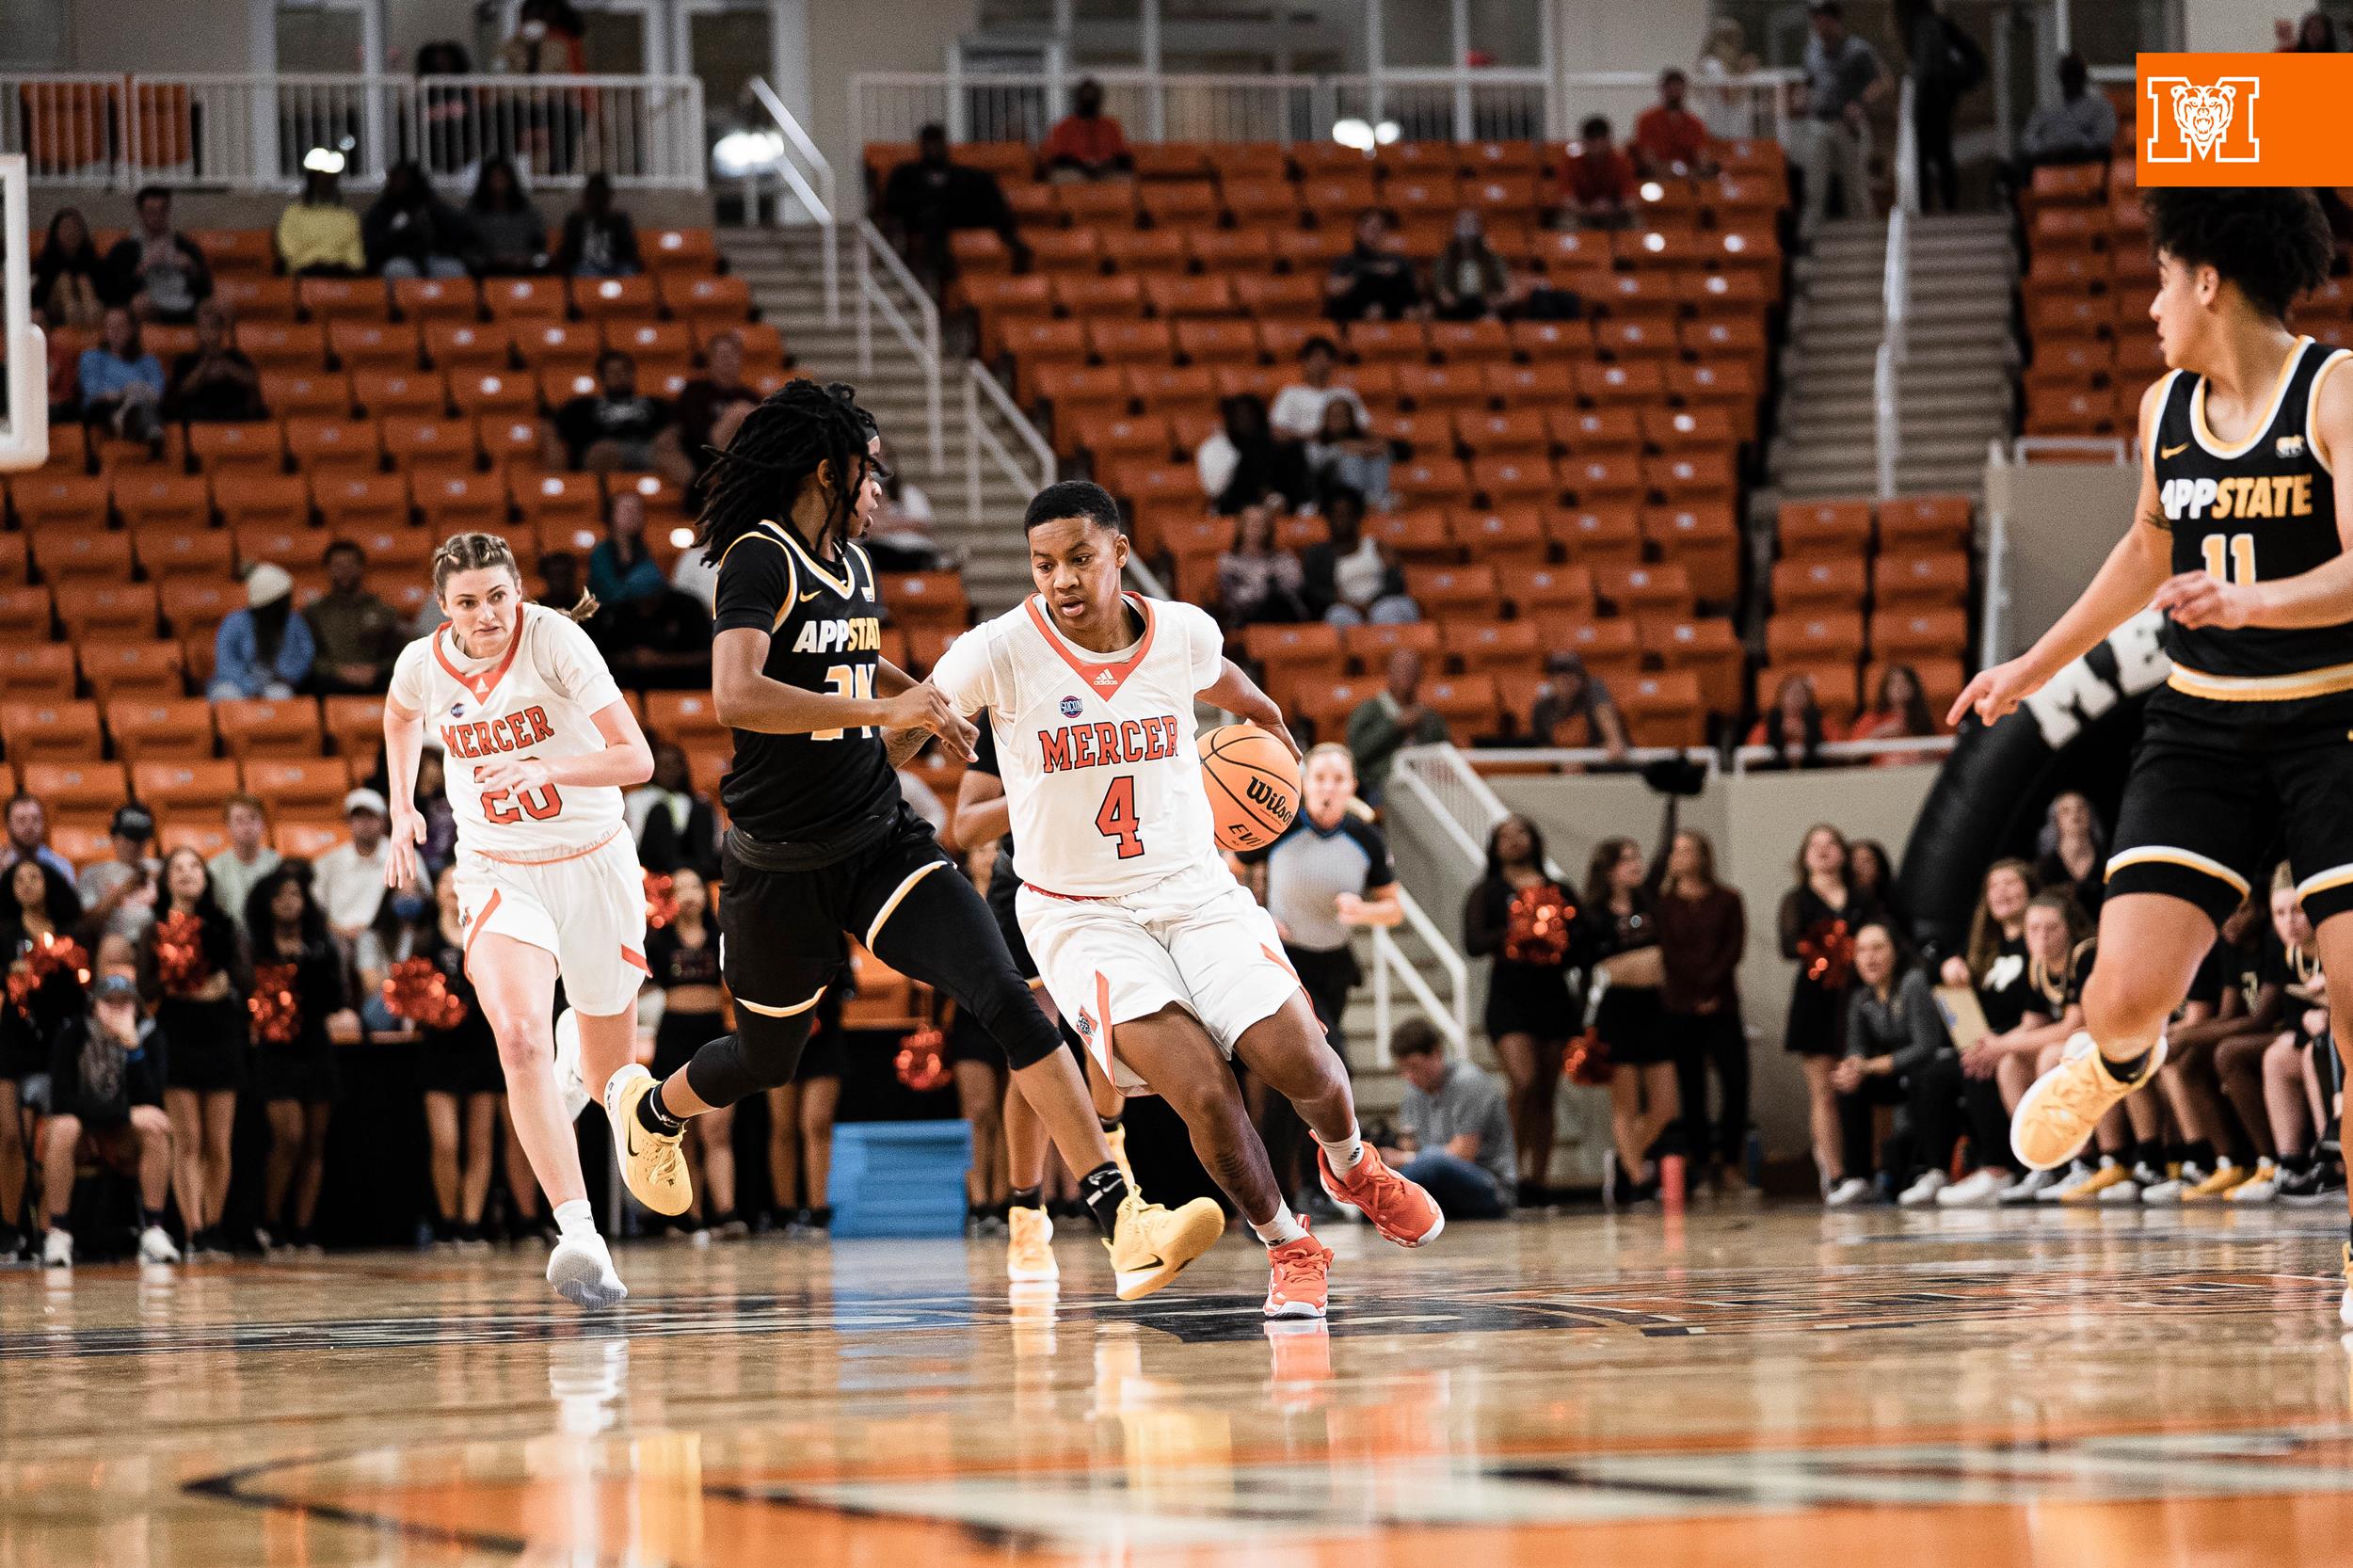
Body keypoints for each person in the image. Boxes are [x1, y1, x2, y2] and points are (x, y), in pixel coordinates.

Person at [602, 387, 1217, 1304]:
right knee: (768, 1059)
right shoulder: (757, 560)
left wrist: (923, 695)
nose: (881, 488)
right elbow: (737, 693)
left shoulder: (852, 562)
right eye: (872, 468)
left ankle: (1120, 1215)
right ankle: (651, 1110)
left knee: (1006, 997)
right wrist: (880, 708)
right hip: (777, 862)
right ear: (829, 468)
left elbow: (847, 655)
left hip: (880, 835)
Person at [1950, 186, 2353, 1320]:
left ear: (2209, 281)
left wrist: (2252, 599)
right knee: (2121, 997)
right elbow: (2143, 546)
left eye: (2161, 280)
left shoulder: (2336, 391)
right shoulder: (2162, 408)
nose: (2149, 306)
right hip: (2202, 727)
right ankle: (2120, 1059)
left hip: (2334, 721)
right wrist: (2032, 666)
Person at [924, 477, 1441, 1320]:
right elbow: (924, 724)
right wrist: (895, 713)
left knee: (1302, 1060)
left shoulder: (1181, 634)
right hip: (1080, 913)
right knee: (1202, 1090)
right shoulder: (999, 650)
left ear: (1119, 555)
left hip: (1196, 890)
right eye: (1044, 563)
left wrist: (1277, 737)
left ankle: (1352, 1165)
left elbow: (1238, 691)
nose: (1061, 579)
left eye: (1080, 559)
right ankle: (1289, 1246)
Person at [382, 531, 657, 1309]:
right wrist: (403, 805)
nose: (487, 614)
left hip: (596, 860)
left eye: (498, 596)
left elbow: (635, 757)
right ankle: (581, 1237)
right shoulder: (422, 663)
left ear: (518, 592)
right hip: (500, 869)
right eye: (468, 603)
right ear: (445, 608)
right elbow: (401, 718)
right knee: (517, 1034)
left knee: (608, 1081)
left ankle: (579, 1067)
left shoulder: (556, 640)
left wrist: (547, 767)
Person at [952, 711, 1134, 1281]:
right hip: (1028, 883)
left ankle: (1114, 1155)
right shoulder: (1007, 712)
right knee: (1035, 1041)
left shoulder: (1130, 693)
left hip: (1110, 878)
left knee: (1107, 1029)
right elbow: (965, 826)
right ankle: (1027, 1212)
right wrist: (1036, 791)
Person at [1241, 744, 1403, 1213]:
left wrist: (1364, 910)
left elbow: (1392, 908)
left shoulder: (1365, 837)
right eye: (1320, 778)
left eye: (1338, 779)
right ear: (1304, 783)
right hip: (1285, 965)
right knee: (1326, 1068)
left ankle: (1296, 1188)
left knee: (1302, 1080)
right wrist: (1260, 915)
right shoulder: (1276, 824)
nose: (1328, 788)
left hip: (1333, 964)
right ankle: (1309, 1184)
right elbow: (1230, 870)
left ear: (1352, 786)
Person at [1461, 814, 1577, 1205]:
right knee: (1523, 1082)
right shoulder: (1488, 891)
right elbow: (1473, 941)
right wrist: (1519, 931)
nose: (1513, 841)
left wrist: (1557, 938)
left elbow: (1582, 940)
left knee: (1546, 1091)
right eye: (1503, 836)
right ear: (1494, 846)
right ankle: (1507, 1170)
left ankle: (1537, 1179)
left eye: (1520, 833)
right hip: (1509, 995)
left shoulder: (1560, 889)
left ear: (1535, 839)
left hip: (1553, 994)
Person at [140, 846, 247, 1256]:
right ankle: (193, 1228)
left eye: (194, 867)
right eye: (178, 868)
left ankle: (215, 1225)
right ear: (167, 880)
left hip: (220, 1028)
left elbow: (246, 980)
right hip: (177, 1029)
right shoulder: (154, 928)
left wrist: (214, 966)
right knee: (189, 1140)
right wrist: (172, 975)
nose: (187, 874)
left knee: (219, 1142)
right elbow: (143, 989)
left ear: (206, 877)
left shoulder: (223, 924)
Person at [392, 864, 503, 1247]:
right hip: (440, 1047)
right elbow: (406, 989)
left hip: (483, 1043)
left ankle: (470, 1225)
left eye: (461, 881)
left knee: (480, 1141)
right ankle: (448, 1220)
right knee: (445, 1141)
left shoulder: (487, 932)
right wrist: (428, 1008)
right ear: (436, 891)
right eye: (446, 882)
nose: (454, 888)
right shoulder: (424, 938)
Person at [243, 866, 352, 1253]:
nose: (289, 902)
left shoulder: (321, 944)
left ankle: (302, 1228)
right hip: (274, 1051)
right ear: (266, 903)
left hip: (314, 1047)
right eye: (280, 895)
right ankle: (269, 1221)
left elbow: (337, 999)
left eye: (295, 895)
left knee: (314, 1142)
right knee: (288, 1136)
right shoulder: (255, 946)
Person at [36, 974, 178, 1268]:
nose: (117, 1008)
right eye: (109, 1001)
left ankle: (153, 1229)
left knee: (156, 1128)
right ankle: (58, 1232)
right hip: (81, 1129)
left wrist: (133, 1047)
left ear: (136, 1007)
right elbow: (62, 1099)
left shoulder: (149, 1037)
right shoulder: (72, 1035)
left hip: (120, 1135)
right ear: (93, 1006)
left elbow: (152, 1099)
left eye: (124, 1002)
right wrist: (123, 1113)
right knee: (64, 1126)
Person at [642, 868, 742, 1237]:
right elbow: (638, 984)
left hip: (713, 1032)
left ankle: (726, 1213)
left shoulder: (722, 937)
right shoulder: (659, 941)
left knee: (717, 1130)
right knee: (682, 1133)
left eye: (694, 887)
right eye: (680, 889)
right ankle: (690, 1216)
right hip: (674, 1035)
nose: (689, 895)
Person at [1780, 823, 1876, 1194]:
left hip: (1857, 996)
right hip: (1816, 999)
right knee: (1823, 1090)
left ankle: (1866, 1169)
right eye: (1814, 845)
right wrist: (1827, 946)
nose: (1822, 850)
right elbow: (1789, 945)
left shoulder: (1861, 896)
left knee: (1858, 1083)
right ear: (1805, 856)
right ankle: (1835, 1173)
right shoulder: (1798, 899)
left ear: (1843, 852)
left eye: (1831, 843)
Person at [1827, 923, 1954, 1205]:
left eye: (1877, 948)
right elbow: (1856, 1046)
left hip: (1931, 1068)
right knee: (1849, 1086)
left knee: (1924, 1078)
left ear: (1895, 951)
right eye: (1862, 950)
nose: (1869, 958)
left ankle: (1935, 1171)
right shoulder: (1862, 996)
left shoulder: (1912, 982)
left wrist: (1869, 1067)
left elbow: (1926, 1045)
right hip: (1897, 1073)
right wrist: (1853, 1066)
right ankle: (1858, 1177)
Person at [1581, 836, 1676, 1196]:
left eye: (1638, 857)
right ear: (1608, 870)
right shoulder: (1594, 914)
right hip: (1618, 1009)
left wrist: (1672, 794)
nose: (1636, 864)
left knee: (1665, 1106)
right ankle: (1636, 1179)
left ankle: (1625, 1159)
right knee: (1626, 1102)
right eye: (1627, 860)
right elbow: (1592, 967)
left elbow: (1662, 853)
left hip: (1654, 1004)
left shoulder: (1649, 901)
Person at [0, 857, 84, 1262]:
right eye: (20, 878)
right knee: (11, 1137)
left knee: (52, 1138)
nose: (28, 884)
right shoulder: (4, 933)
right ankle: (9, 1228)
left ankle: (52, 1230)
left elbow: (81, 994)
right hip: (12, 1040)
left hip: (57, 1042)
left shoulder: (69, 935)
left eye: (35, 876)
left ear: (50, 884)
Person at [1656, 828, 1748, 1193]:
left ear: (1703, 856)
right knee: (1690, 1086)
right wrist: (1695, 992)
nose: (1681, 857)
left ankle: (1729, 1162)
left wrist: (1710, 988)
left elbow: (1733, 948)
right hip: (1680, 1003)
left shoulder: (1727, 899)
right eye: (1675, 851)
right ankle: (1702, 1163)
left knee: (1735, 1082)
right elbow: (1669, 952)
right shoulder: (1664, 904)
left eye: (1688, 850)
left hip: (1722, 1002)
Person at [1383, 1016, 1515, 1220]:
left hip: (1490, 1185)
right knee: (1417, 1166)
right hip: (1441, 1185)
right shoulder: (1414, 1092)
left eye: (1414, 1067)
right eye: (1403, 1069)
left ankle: (1381, 1204)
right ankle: (1380, 1203)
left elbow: (1463, 1154)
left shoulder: (1468, 1082)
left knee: (1434, 1161)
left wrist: (1407, 1159)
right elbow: (1409, 1145)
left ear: (1436, 1053)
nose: (1409, 1076)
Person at [1787, 1, 1887, 241]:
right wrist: (1800, 97)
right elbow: (1809, 81)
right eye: (1815, 20)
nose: (1818, 25)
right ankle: (1809, 242)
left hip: (1847, 124)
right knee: (1814, 187)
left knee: (1855, 187)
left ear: (1834, 20)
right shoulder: (1812, 51)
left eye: (1822, 19)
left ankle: (1864, 239)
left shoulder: (1858, 50)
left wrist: (1860, 104)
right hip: (1819, 123)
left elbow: (1881, 81)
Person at [879, 124, 1023, 286]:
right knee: (932, 217)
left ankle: (1015, 250)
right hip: (923, 222)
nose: (934, 149)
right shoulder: (906, 174)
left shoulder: (964, 175)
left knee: (986, 191)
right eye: (929, 144)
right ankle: (938, 276)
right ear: (922, 146)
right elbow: (893, 205)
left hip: (956, 217)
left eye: (937, 143)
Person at [1900, 0, 1979, 216]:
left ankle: (1936, 206)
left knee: (1933, 157)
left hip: (1932, 102)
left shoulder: (1928, 26)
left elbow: (1929, 69)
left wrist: (1924, 101)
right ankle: (1940, 205)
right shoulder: (1930, 26)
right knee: (1937, 156)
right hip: (1937, 100)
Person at [549, 351, 683, 476]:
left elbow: (678, 424)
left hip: (648, 450)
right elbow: (550, 426)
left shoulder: (655, 403)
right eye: (613, 372)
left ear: (632, 373)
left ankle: (697, 493)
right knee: (603, 451)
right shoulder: (583, 406)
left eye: (625, 370)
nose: (620, 376)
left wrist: (669, 433)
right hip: (605, 450)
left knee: (671, 456)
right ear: (602, 378)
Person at [1300, 484, 1414, 629]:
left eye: (1347, 513)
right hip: (1346, 607)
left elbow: (1397, 584)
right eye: (1336, 514)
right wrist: (1349, 604)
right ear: (1328, 518)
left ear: (1357, 516)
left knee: (1386, 612)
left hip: (1383, 602)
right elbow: (1314, 590)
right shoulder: (1318, 554)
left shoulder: (1377, 546)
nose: (1342, 520)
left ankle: (1389, 649)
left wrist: (1371, 603)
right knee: (1337, 615)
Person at [1346, 648, 1449, 803]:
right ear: (1389, 673)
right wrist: (1395, 725)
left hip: (1426, 784)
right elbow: (1357, 752)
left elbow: (1442, 753)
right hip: (1382, 785)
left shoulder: (1429, 716)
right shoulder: (1370, 709)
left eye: (1412, 669)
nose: (1408, 673)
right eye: (1401, 668)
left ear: (1420, 675)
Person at [306, 540, 407, 695]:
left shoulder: (383, 611)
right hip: (330, 683)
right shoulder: (314, 613)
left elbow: (402, 653)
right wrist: (337, 670)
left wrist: (377, 669)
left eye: (350, 565)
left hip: (377, 681)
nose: (344, 571)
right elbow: (307, 656)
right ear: (327, 569)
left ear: (361, 567)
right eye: (338, 566)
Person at [104, 186, 211, 324]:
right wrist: (142, 269)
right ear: (140, 213)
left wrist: (191, 269)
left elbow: (205, 289)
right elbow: (112, 290)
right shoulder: (124, 249)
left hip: (183, 303)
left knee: (218, 307)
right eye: (151, 211)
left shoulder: (185, 245)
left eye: (162, 210)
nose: (157, 216)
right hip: (149, 306)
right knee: (140, 303)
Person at [210, 563, 316, 701]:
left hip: (277, 683)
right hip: (237, 684)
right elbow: (226, 663)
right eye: (281, 600)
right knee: (227, 694)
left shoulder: (293, 621)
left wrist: (289, 676)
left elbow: (306, 653)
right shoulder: (234, 622)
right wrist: (250, 686)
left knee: (281, 695)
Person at [1197, 393, 1309, 517]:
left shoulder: (1275, 445)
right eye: (1239, 415)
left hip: (1281, 504)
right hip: (1233, 506)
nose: (1245, 420)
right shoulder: (1214, 447)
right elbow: (1216, 490)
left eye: (1249, 415)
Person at [365, 161, 477, 281]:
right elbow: (375, 246)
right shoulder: (382, 210)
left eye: (404, 180)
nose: (400, 184)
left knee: (452, 270)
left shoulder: (431, 206)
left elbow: (460, 232)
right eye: (397, 180)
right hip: (399, 258)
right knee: (398, 270)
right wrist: (403, 233)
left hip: (433, 257)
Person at [675, 330, 760, 483]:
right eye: (722, 356)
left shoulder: (750, 396)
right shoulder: (694, 391)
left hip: (742, 456)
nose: (727, 361)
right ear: (710, 360)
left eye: (733, 356)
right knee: (741, 410)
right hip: (701, 456)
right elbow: (694, 434)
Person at [630, 743, 722, 881]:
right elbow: (635, 840)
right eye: (664, 766)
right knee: (660, 812)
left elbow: (716, 843)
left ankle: (701, 878)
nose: (670, 771)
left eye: (675, 765)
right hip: (654, 864)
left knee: (701, 808)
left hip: (693, 862)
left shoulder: (697, 801)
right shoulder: (635, 799)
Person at [312, 789, 392, 946]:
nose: (365, 823)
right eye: (358, 816)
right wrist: (337, 930)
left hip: (384, 936)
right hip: (336, 935)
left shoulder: (402, 856)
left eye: (371, 816)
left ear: (383, 821)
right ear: (348, 822)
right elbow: (315, 906)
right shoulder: (329, 861)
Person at [77, 306, 165, 447]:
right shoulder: (91, 357)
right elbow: (93, 391)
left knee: (144, 405)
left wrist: (134, 394)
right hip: (105, 408)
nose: (115, 332)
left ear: (131, 329)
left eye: (120, 326)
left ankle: (139, 425)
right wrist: (125, 393)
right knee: (106, 407)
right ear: (104, 331)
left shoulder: (149, 361)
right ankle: (147, 428)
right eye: (110, 327)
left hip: (142, 403)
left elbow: (157, 392)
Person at [166, 301, 264, 424]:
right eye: (204, 328)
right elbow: (183, 390)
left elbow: (252, 381)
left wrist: (226, 366)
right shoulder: (185, 360)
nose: (209, 334)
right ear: (197, 332)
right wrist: (206, 363)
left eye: (213, 327)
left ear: (221, 331)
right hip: (199, 416)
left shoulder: (234, 356)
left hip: (233, 414)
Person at [2018, 53, 2118, 174]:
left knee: (2104, 155)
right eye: (2068, 75)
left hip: (2084, 159)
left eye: (2075, 75)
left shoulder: (2100, 106)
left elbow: (2103, 140)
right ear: (2061, 78)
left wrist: (2078, 147)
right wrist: (2044, 150)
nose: (2072, 80)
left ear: (2083, 77)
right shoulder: (2047, 107)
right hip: (2050, 159)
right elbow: (2028, 138)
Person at [1215, 503, 1308, 631]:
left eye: (1261, 524)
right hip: (1248, 617)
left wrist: (1261, 588)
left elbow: (1296, 584)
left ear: (1268, 528)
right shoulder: (1229, 561)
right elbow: (1234, 599)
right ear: (1241, 527)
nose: (1256, 528)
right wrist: (1265, 588)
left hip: (1283, 613)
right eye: (1252, 523)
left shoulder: (1284, 557)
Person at [78, 804, 159, 945]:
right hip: (112, 944)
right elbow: (87, 924)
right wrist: (123, 890)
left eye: (140, 838)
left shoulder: (160, 870)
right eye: (129, 837)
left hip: (155, 943)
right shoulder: (93, 873)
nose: (135, 845)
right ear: (114, 837)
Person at [1325, 208, 1423, 325]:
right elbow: (1333, 288)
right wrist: (1367, 273)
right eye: (1372, 228)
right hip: (1358, 311)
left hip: (1394, 309)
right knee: (1374, 309)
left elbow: (1417, 286)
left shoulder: (1398, 261)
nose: (1376, 233)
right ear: (1360, 230)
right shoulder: (1347, 260)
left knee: (1416, 311)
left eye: (1380, 228)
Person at [275, 152, 367, 276]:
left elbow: (355, 256)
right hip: (305, 272)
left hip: (339, 273)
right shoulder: (293, 213)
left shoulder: (347, 216)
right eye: (321, 179)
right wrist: (310, 261)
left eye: (329, 180)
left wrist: (347, 267)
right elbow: (287, 250)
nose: (325, 184)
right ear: (312, 181)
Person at [1270, 336, 1369, 444]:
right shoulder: (1290, 393)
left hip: (1342, 447)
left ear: (1332, 362)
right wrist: (1312, 437)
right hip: (1301, 448)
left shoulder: (1346, 393)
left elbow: (1363, 427)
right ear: (1305, 362)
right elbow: (1278, 432)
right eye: (1315, 357)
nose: (1319, 363)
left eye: (1324, 357)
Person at [1529, 649, 1630, 756]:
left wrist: (1614, 739)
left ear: (1581, 677)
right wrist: (1563, 759)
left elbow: (1604, 711)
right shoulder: (1541, 708)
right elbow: (1544, 746)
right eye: (1557, 673)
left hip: (1598, 764)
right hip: (1562, 768)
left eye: (1570, 672)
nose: (1564, 678)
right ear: (1550, 679)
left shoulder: (1593, 690)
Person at [207, 794, 281, 933]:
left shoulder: (277, 864)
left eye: (253, 818)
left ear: (263, 825)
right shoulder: (214, 867)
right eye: (239, 820)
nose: (247, 825)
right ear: (228, 827)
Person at [1302, 398, 1392, 507]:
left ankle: (1378, 499)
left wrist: (1360, 448)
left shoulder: (1361, 438)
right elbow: (1315, 465)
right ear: (1325, 418)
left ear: (1351, 418)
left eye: (1343, 415)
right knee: (1351, 459)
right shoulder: (1316, 440)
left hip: (1368, 486)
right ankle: (1356, 501)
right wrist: (1340, 449)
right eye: (1334, 415)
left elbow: (1384, 448)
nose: (1338, 419)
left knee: (1378, 457)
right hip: (1329, 491)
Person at [1431, 209, 1517, 322]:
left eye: (1471, 224)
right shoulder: (1445, 260)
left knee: (1486, 315)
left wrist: (1497, 300)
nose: (1466, 228)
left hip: (1485, 307)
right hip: (1456, 310)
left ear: (1479, 229)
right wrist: (1451, 300)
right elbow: (1443, 295)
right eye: (1463, 223)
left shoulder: (1492, 259)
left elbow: (1510, 291)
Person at [589, 490, 671, 606]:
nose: (632, 515)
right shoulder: (600, 553)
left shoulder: (646, 550)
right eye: (626, 510)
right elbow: (611, 593)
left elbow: (660, 587)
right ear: (611, 514)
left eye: (637, 510)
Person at [1040, 77, 1132, 181]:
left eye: (1093, 98)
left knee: (1124, 179)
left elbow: (1124, 159)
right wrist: (1082, 166)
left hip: (1106, 171)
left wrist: (1104, 166)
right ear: (1078, 100)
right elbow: (1058, 160)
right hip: (1075, 171)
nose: (1089, 103)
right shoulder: (1064, 127)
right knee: (1065, 177)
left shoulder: (1111, 126)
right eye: (1085, 99)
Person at [1557, 116, 1640, 231]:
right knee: (1567, 222)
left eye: (1601, 138)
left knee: (1636, 221)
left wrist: (1611, 209)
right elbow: (1567, 201)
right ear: (1583, 141)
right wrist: (1590, 210)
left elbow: (1631, 201)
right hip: (1582, 215)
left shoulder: (1622, 162)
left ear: (1609, 140)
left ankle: (1635, 249)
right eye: (1592, 139)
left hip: (1614, 215)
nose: (1597, 144)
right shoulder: (1570, 164)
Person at [468, 157, 547, 275]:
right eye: (494, 177)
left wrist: (524, 257)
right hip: (488, 269)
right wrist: (493, 258)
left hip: (524, 267)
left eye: (502, 177)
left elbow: (538, 244)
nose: (498, 181)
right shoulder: (474, 213)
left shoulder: (527, 212)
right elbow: (470, 248)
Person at [2034, 791, 2106, 917]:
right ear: (2056, 820)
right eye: (2066, 811)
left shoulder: (2108, 863)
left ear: (2090, 816)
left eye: (2081, 808)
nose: (2075, 815)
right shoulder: (2043, 869)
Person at [554, 173, 642, 279]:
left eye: (601, 196)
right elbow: (567, 252)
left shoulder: (619, 220)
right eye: (594, 195)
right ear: (587, 197)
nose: (597, 200)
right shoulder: (576, 221)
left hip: (615, 266)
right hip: (586, 267)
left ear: (608, 197)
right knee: (585, 273)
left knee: (628, 272)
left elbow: (630, 251)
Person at [1633, 68, 1717, 178]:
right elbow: (1647, 157)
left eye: (1678, 88)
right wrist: (1670, 170)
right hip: (1657, 178)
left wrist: (1694, 171)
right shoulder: (1647, 120)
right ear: (1662, 89)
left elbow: (1702, 156)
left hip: (1689, 179)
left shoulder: (1695, 124)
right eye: (1671, 88)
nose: (1675, 92)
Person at [33, 208, 107, 329]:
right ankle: (73, 312)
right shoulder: (46, 261)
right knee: (64, 279)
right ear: (56, 232)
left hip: (88, 309)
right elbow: (40, 294)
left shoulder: (92, 259)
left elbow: (104, 292)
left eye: (75, 228)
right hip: (56, 311)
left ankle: (87, 326)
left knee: (84, 281)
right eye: (66, 228)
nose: (71, 233)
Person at [1749, 671, 1828, 768]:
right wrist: (1779, 736)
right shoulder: (1764, 728)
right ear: (1780, 697)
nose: (1796, 697)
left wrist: (1808, 736)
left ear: (1810, 699)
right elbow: (1749, 759)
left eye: (1801, 693)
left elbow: (1842, 754)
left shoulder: (1823, 726)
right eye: (1790, 692)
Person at [1849, 664, 1934, 744]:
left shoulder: (1924, 719)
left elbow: (1940, 750)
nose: (1899, 687)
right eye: (1894, 682)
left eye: (1905, 682)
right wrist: (1879, 733)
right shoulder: (1872, 718)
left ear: (1914, 688)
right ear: (1885, 689)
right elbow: (1850, 753)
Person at [2, 797, 76, 885]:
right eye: (21, 820)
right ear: (8, 826)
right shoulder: (2, 865)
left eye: (36, 819)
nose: (29, 826)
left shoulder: (61, 866)